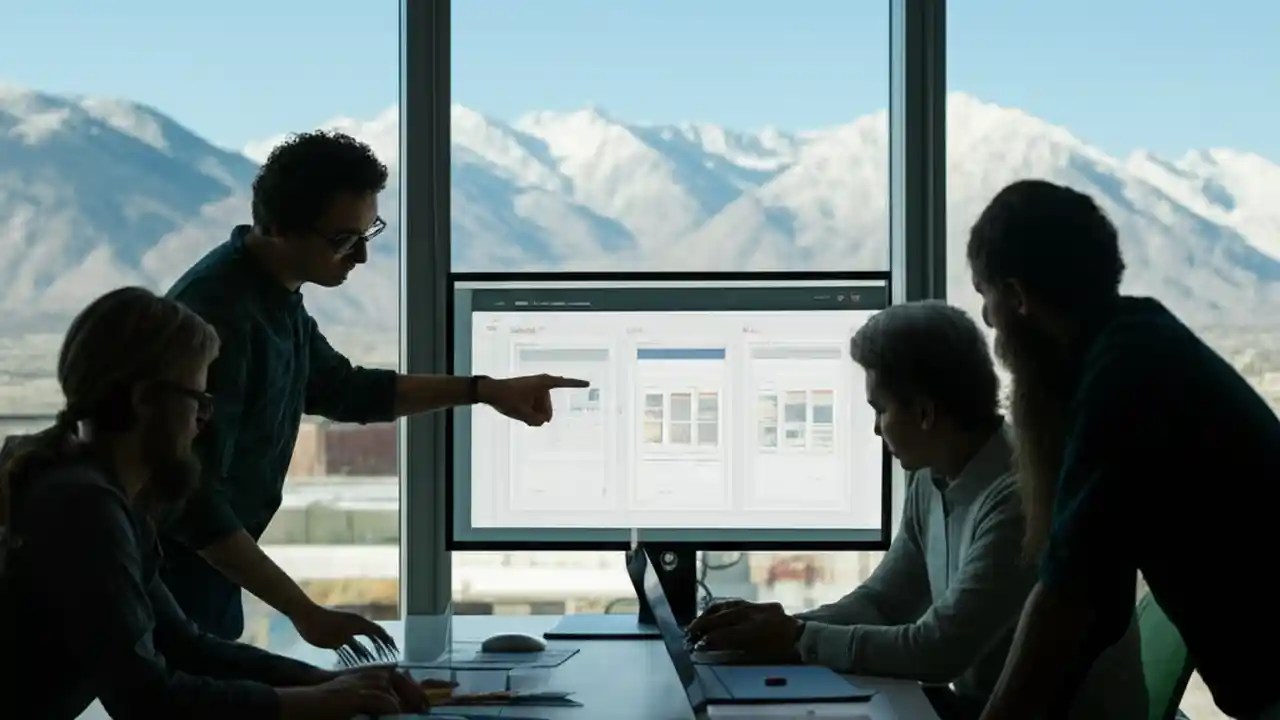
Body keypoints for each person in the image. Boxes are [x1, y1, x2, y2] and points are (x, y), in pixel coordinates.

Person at [159, 130, 588, 650]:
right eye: (342, 240)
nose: (360, 257)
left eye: (369, 233)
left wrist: (484, 390)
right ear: (277, 229)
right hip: (171, 577)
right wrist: (304, 612)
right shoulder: (218, 317)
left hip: (206, 576)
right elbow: (190, 503)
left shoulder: (273, 297)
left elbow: (346, 390)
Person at [685, 301, 1145, 720]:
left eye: (880, 409)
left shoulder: (1017, 499)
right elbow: (884, 602)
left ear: (925, 412)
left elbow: (939, 651)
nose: (874, 428)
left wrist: (794, 639)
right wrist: (774, 628)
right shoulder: (934, 478)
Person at [0, 287, 445, 719]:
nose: (202, 422)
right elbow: (149, 701)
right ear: (143, 401)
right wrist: (320, 702)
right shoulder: (84, 510)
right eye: (197, 400)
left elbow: (186, 647)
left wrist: (337, 684)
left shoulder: (95, 492)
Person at [969, 180, 1280, 720]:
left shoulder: (1126, 378)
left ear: (1017, 297)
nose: (989, 321)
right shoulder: (1137, 344)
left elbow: (1070, 601)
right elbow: (1098, 599)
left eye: (985, 297)